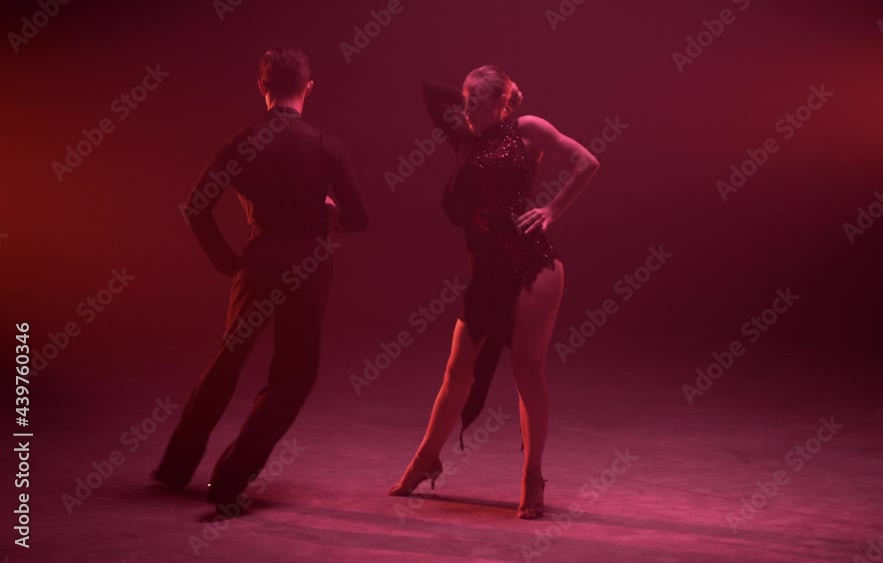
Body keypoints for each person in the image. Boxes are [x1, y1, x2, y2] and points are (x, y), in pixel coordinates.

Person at [152, 45, 368, 511]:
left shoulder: (241, 141)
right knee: (294, 373)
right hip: (309, 264)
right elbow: (360, 217)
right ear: (308, 88)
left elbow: (195, 207)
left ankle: (174, 468)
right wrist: (328, 213)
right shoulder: (326, 144)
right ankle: (230, 478)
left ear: (262, 87)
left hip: (259, 259)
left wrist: (227, 261)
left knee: (228, 360)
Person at [388, 65, 599, 519]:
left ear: (500, 103)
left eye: (475, 103)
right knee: (456, 372)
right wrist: (475, 89)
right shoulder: (465, 137)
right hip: (487, 270)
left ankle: (532, 476)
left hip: (531, 263)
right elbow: (429, 89)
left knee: (527, 370)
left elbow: (586, 162)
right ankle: (426, 460)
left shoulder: (527, 128)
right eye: (464, 101)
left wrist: (552, 209)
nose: (465, 110)